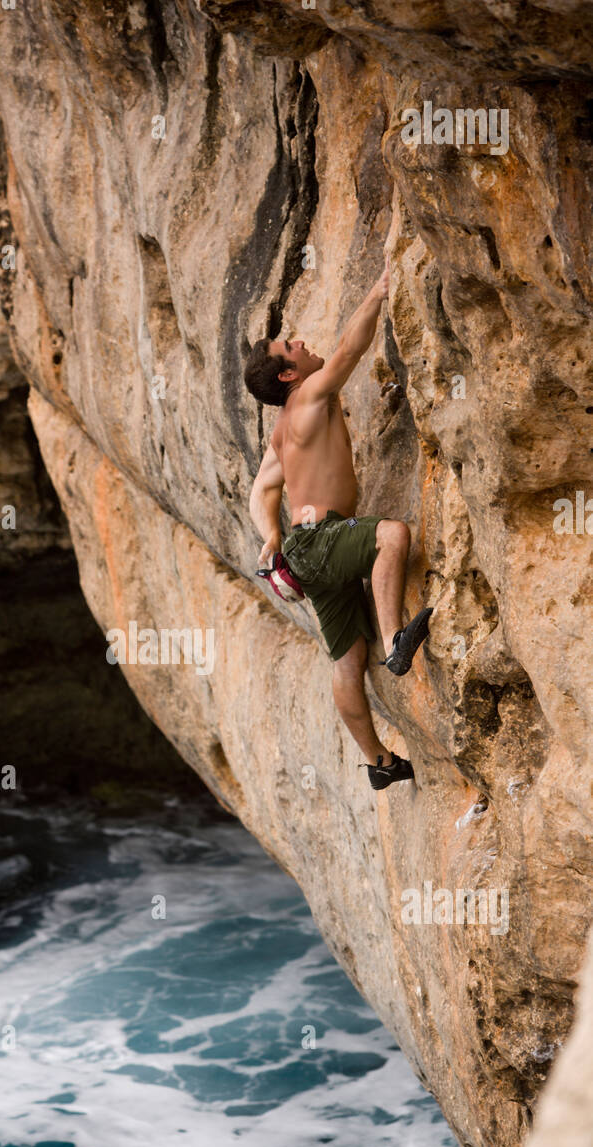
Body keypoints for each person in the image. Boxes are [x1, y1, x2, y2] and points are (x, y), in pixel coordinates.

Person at [244, 259, 431, 790]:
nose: (300, 343)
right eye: (291, 348)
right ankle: (396, 638)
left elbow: (261, 490)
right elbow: (350, 350)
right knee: (391, 535)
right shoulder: (307, 398)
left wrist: (271, 534)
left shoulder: (284, 431)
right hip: (323, 542)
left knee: (347, 660)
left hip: (308, 555)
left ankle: (380, 763)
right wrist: (379, 288)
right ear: (288, 375)